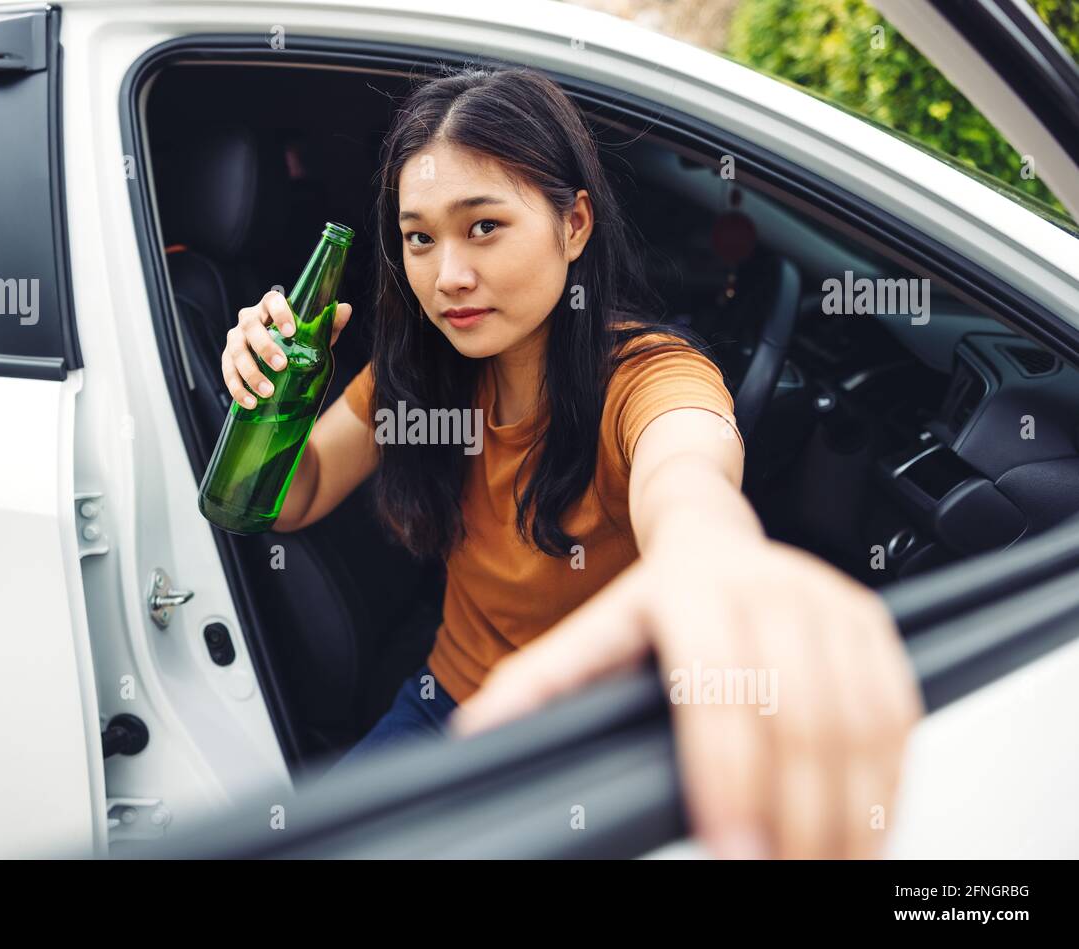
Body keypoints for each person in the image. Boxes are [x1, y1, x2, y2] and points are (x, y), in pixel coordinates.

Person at [219, 65, 922, 859]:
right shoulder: (417, 371)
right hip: (443, 705)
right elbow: (292, 496)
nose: (447, 275)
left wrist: (718, 565)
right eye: (420, 237)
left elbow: (687, 482)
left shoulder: (650, 375)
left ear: (575, 224)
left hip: (601, 737)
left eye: (483, 225)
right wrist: (264, 403)